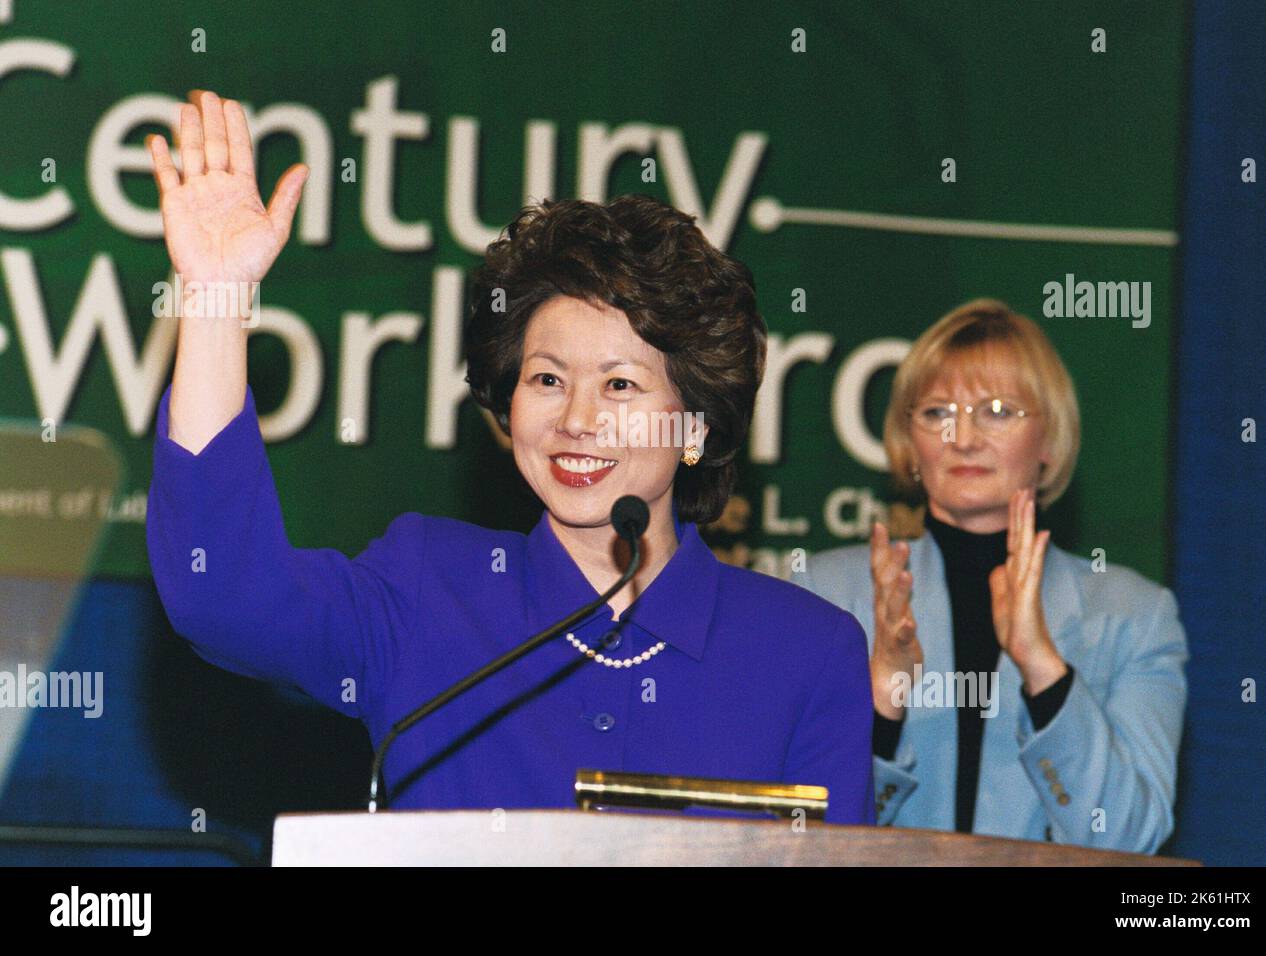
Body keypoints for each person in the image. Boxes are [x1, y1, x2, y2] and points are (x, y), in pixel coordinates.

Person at [144, 90, 875, 823]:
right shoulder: (428, 590)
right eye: (548, 380)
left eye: (619, 385)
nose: (577, 420)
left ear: (696, 428)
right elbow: (224, 598)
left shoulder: (807, 653)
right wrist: (214, 298)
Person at [797, 299, 1187, 850]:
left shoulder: (1133, 616)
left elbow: (1130, 838)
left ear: (1050, 442)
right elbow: (791, 837)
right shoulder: (820, 596)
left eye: (998, 410)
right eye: (937, 413)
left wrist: (1043, 669)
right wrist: (882, 704)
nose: (963, 438)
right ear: (910, 444)